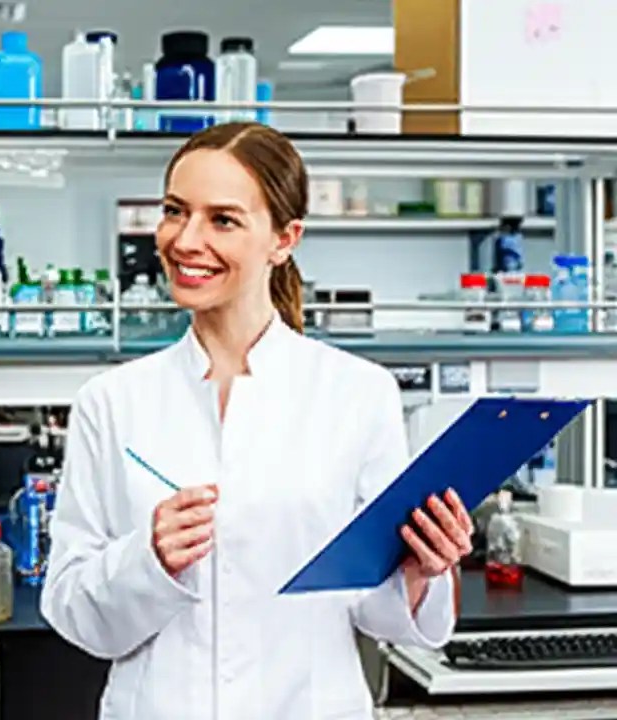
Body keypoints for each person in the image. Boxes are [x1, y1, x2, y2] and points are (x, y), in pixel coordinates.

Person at [40, 122, 474, 720]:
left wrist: (422, 570)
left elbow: (376, 613)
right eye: (174, 211)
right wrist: (149, 559)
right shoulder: (112, 400)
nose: (186, 239)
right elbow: (73, 610)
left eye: (223, 220)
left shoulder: (357, 393)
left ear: (284, 239)